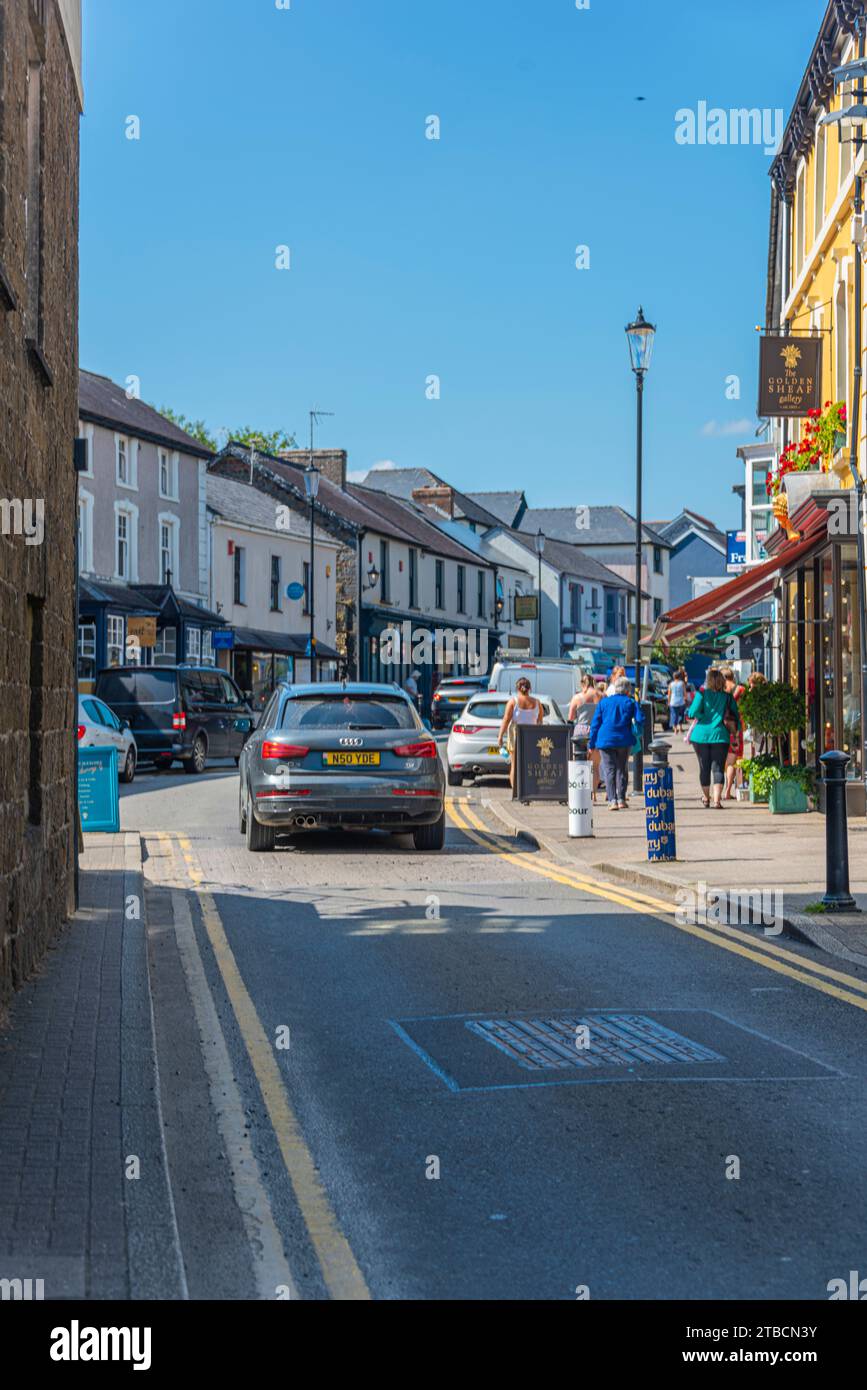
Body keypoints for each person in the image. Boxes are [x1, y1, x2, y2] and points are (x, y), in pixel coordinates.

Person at [588, 675, 644, 811]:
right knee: (622, 769)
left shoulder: (604, 702)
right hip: (624, 740)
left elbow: (595, 724)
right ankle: (621, 799)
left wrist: (591, 743)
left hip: (605, 739)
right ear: (627, 690)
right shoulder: (630, 702)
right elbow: (640, 719)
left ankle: (612, 800)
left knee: (609, 770)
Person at [687, 667, 741, 809]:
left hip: (700, 736)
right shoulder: (728, 697)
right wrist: (736, 734)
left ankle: (706, 797)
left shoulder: (702, 694)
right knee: (718, 768)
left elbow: (692, 712)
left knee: (704, 767)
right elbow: (735, 716)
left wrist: (703, 716)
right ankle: (717, 800)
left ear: (708, 681)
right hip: (720, 736)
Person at [497, 676, 543, 790]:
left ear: (517, 689)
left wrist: (500, 736)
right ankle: (530, 789)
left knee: (515, 765)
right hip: (531, 736)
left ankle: (516, 791)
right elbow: (540, 721)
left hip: (516, 734)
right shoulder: (537, 702)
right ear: (530, 688)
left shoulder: (513, 702)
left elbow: (506, 720)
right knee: (530, 764)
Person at [568, 674, 603, 800]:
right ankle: (593, 794)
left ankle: (582, 794)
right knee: (595, 766)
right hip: (597, 731)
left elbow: (571, 717)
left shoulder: (577, 697)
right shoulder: (601, 695)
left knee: (580, 764)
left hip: (581, 732)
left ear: (582, 683)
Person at [721, 666, 746, 800]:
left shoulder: (720, 692)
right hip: (736, 729)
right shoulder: (740, 689)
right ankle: (727, 791)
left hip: (722, 729)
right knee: (732, 762)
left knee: (723, 761)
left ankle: (719, 790)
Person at [667, 667, 688, 733]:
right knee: (681, 714)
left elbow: (669, 694)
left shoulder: (671, 684)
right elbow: (685, 693)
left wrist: (668, 701)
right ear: (679, 677)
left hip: (673, 702)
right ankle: (680, 727)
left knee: (674, 715)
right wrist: (685, 699)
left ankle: (675, 728)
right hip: (681, 701)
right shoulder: (682, 683)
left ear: (673, 677)